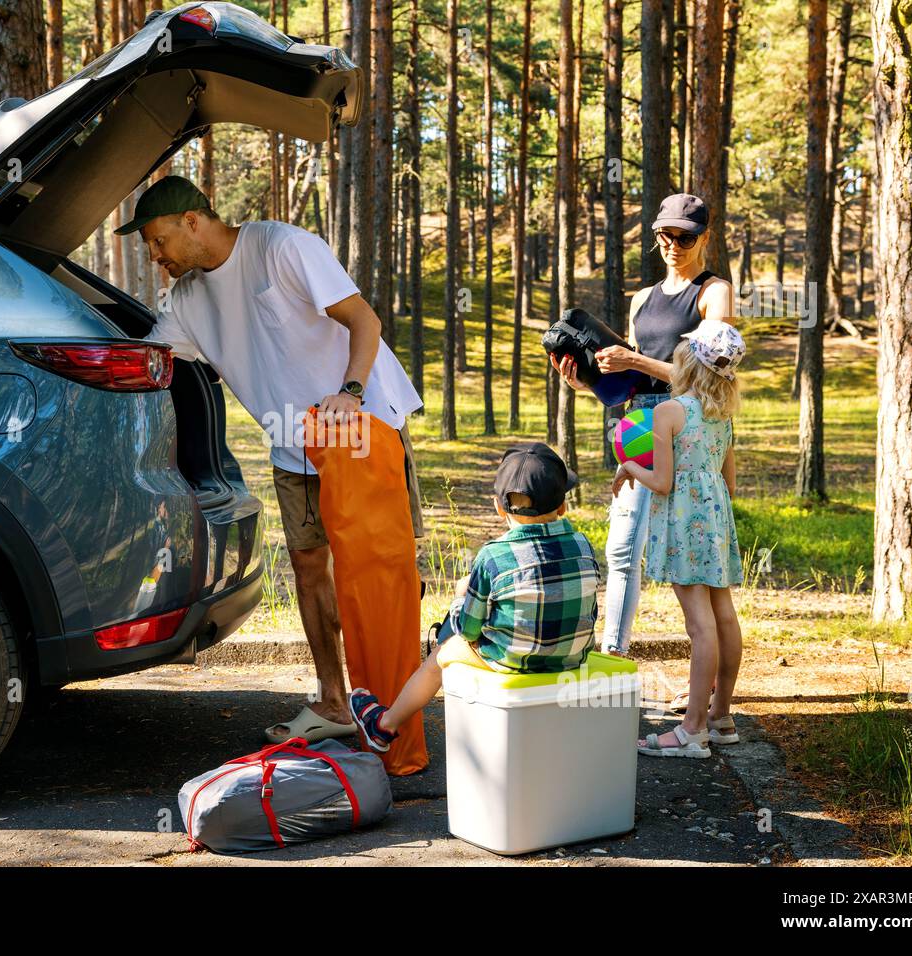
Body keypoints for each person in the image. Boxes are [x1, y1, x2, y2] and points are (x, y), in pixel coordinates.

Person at [120, 176, 425, 743]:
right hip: (293, 444)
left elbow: (365, 320)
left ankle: (397, 709)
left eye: (158, 241)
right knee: (309, 569)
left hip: (363, 429)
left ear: (193, 221)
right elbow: (149, 360)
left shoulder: (282, 247)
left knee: (379, 572)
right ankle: (335, 702)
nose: (155, 256)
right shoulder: (185, 300)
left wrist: (350, 392)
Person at [551, 193, 734, 674]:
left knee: (696, 567)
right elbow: (631, 383)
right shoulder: (641, 300)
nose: (673, 245)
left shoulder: (713, 292)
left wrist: (633, 358)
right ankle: (614, 653)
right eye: (665, 235)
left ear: (704, 238)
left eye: (685, 238)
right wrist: (587, 381)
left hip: (688, 421)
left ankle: (709, 693)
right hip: (638, 421)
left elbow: (712, 375)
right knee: (623, 548)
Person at [347, 443, 599, 752]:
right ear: (562, 508)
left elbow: (468, 630)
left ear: (499, 508)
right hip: (572, 658)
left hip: (512, 663)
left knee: (441, 655)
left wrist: (459, 598)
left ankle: (384, 726)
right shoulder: (583, 544)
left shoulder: (493, 556)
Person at [612, 320, 745, 758]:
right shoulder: (721, 414)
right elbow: (729, 482)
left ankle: (692, 730)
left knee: (699, 626)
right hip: (716, 521)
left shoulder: (670, 411)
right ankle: (720, 718)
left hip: (684, 526)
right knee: (723, 616)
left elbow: (663, 483)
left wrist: (630, 467)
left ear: (688, 361)